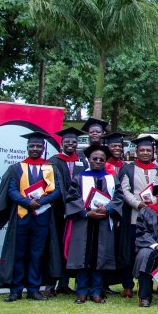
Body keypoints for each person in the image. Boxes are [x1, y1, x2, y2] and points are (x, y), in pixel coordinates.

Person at [0, 131, 65, 302]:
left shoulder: (50, 168)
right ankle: (16, 289)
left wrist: (41, 201)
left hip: (42, 217)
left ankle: (33, 289)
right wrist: (27, 203)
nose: (35, 148)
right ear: (27, 147)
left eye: (38, 146)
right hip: (21, 217)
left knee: (37, 253)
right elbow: (11, 190)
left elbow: (57, 191)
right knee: (18, 252)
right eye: (32, 146)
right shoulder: (17, 168)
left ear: (43, 148)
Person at [113, 134, 158, 298]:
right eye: (142, 150)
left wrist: (154, 203)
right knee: (129, 251)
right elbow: (124, 191)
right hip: (133, 216)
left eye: (148, 150)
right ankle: (128, 285)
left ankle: (146, 283)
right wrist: (138, 203)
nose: (145, 153)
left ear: (153, 152)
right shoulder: (128, 168)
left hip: (153, 217)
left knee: (149, 251)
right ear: (136, 151)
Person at [64, 144, 116, 304]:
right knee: (82, 256)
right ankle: (81, 291)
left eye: (101, 159)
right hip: (83, 223)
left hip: (102, 222)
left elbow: (118, 198)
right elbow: (72, 198)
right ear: (89, 160)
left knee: (99, 257)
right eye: (95, 159)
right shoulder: (79, 178)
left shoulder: (111, 178)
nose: (98, 161)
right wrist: (86, 212)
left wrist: (107, 209)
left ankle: (96, 292)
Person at [50, 126, 88, 296]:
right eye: (67, 141)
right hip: (57, 211)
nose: (71, 144)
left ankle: (65, 283)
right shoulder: (53, 161)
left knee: (74, 247)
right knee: (55, 247)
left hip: (77, 212)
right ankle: (51, 284)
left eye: (74, 141)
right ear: (61, 143)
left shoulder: (83, 161)